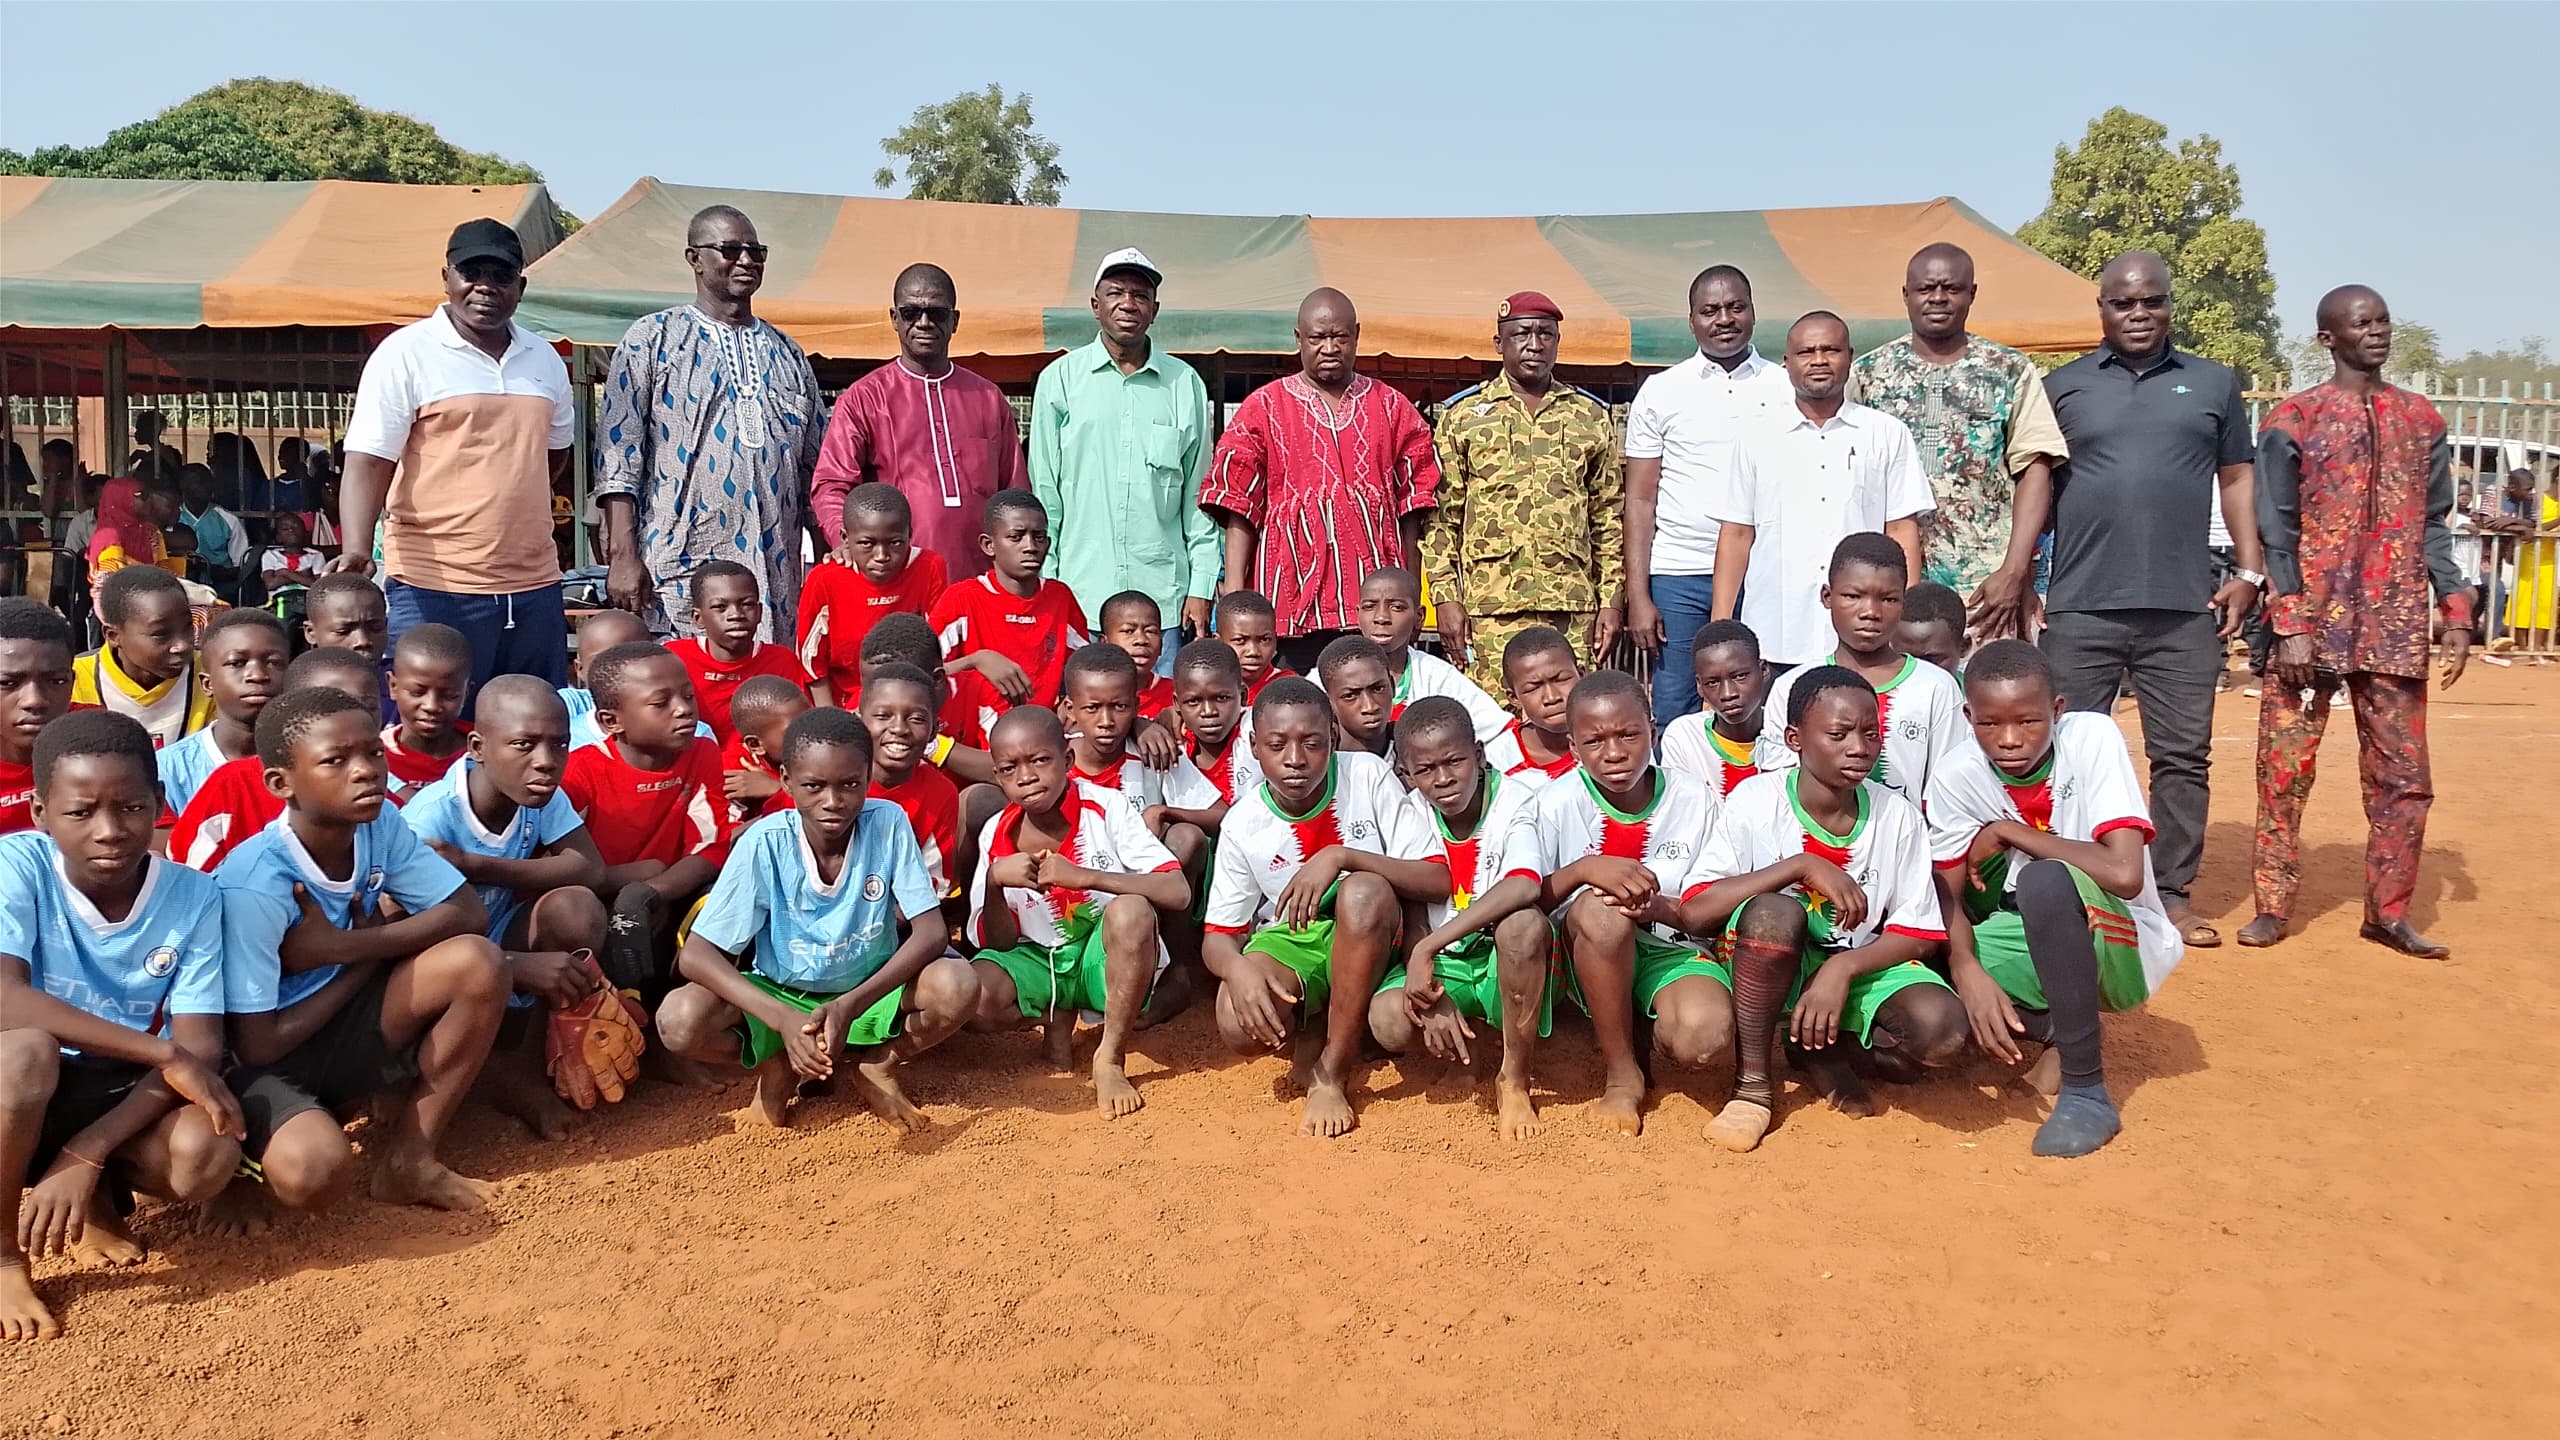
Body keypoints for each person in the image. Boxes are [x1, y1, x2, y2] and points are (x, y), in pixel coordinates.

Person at [211, 687, 508, 1234]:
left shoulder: (378, 823)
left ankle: (410, 1161)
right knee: (314, 1173)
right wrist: (360, 964)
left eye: (373, 752)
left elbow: (465, 913)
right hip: (266, 1058)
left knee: (477, 963)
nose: (366, 771)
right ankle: (241, 1170)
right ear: (281, 784)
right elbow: (257, 1045)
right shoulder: (256, 884)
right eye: (336, 760)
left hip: (339, 1013)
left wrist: (346, 951)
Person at [2243, 285, 2475, 959]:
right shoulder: (2295, 418)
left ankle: (2389, 911)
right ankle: (2272, 906)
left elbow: (2435, 525)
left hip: (2395, 621)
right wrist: (2288, 617)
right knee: (2284, 771)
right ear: (2328, 338)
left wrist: (2454, 608)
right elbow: (2274, 524)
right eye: (2361, 324)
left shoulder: (2421, 419)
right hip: (2309, 620)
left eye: (2382, 322)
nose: (2375, 333)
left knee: (2404, 777)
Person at [2041, 251, 2264, 949]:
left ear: (2171, 304)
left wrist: (2250, 571)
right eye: (2122, 304)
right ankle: (2070, 891)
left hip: (2181, 608)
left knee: (2181, 758)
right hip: (2081, 604)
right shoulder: (2062, 386)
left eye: (2152, 302)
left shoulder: (2213, 384)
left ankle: (2168, 894)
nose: (2138, 315)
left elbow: (2235, 479)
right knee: (2067, 753)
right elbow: (2038, 489)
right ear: (2101, 309)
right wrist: (2027, 582)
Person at [1, 712, 244, 1342]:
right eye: (81, 812)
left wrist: (87, 1152)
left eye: (131, 807)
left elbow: (200, 1047)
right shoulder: (15, 866)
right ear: (40, 814)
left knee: (205, 1154)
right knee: (24, 1055)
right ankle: (3, 1254)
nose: (110, 831)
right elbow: (4, 998)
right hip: (25, 1085)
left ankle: (97, 1194)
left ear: (159, 805)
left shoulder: (194, 897)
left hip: (117, 1092)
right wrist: (164, 1052)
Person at [1675, 668, 1965, 1154]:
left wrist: (1842, 968)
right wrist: (1799, 866)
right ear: (1794, 739)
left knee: (1941, 1032)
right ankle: (1752, 1086)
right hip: (1764, 966)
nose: (1859, 746)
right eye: (1838, 734)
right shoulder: (1756, 801)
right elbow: (1695, 910)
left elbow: (1918, 932)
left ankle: (1820, 1049)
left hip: (1853, 969)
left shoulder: (1897, 815)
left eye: (1870, 733)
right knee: (1775, 913)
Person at [655, 708, 974, 1131]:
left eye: (850, 785)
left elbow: (932, 932)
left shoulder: (888, 823)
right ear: (786, 781)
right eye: (813, 786)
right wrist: (782, 1018)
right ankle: (776, 1065)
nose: (833, 801)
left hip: (866, 990)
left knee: (959, 984)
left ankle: (876, 1064)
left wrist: (849, 1004)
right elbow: (697, 955)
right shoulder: (764, 841)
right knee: (678, 1020)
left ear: (867, 776)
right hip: (781, 992)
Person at [1925, 641, 2185, 1158]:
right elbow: (1945, 896)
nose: (2010, 740)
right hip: (2025, 925)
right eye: (1989, 724)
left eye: (2028, 722)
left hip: (2119, 932)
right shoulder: (1957, 774)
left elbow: (2125, 873)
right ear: (1967, 716)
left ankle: (2087, 1092)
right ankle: (2056, 1035)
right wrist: (1965, 968)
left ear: (2057, 711)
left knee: (2046, 880)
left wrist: (2011, 830)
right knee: (1920, 963)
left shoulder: (2091, 737)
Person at [1201, 677, 1449, 1137]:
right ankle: (1314, 1024)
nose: (1295, 759)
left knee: (1362, 892)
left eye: (1312, 743)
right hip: (1300, 937)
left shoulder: (1368, 776)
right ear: (1254, 746)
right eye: (1277, 745)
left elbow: (1436, 879)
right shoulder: (1244, 821)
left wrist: (1341, 856)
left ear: (1334, 737)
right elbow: (1218, 936)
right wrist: (1238, 971)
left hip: (1378, 933)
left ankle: (1332, 1069)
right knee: (1236, 1021)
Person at [335, 218, 575, 692]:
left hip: (533, 586)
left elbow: (554, 457)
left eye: (500, 275)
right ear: (447, 277)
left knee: (528, 726)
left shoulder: (544, 359)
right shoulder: (405, 353)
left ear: (520, 286)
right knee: (435, 733)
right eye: (471, 272)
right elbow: (369, 462)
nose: (484, 287)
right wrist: (357, 550)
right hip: (433, 585)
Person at [1507, 670, 1730, 1136]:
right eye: (1595, 741)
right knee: (1602, 912)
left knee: (1702, 1038)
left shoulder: (1695, 798)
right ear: (1573, 746)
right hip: (1579, 951)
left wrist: (1657, 908)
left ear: (1653, 726)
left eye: (1629, 734)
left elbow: (1713, 902)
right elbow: (1527, 893)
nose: (1614, 753)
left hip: (1669, 943)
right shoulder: (1551, 803)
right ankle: (1623, 1071)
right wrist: (1584, 872)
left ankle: (1649, 1027)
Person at [595, 205, 827, 640]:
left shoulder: (788, 353)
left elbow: (816, 468)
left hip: (774, 574)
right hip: (679, 563)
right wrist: (623, 555)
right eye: (730, 249)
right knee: (680, 690)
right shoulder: (652, 340)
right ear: (694, 258)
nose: (746, 261)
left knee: (767, 688)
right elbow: (618, 458)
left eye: (756, 251)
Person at [400, 675, 611, 1140]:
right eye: (524, 744)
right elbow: (404, 937)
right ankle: (423, 1091)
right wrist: (512, 965)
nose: (546, 762)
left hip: (494, 934)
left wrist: (474, 865)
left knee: (576, 911)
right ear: (477, 747)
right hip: (437, 961)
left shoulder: (539, 795)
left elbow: (587, 868)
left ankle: (520, 1070)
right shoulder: (430, 818)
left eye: (560, 744)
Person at [966, 706, 1192, 1118]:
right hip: (1038, 957)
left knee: (1132, 913)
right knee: (975, 995)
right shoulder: (995, 833)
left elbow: (1176, 892)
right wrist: (994, 883)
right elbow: (995, 942)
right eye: (1010, 768)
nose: (1027, 776)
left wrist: (1087, 877)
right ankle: (1058, 1012)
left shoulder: (1108, 807)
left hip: (1100, 956)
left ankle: (1109, 1055)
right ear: (998, 777)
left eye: (1039, 760)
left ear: (1068, 761)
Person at [1201, 288, 1441, 673]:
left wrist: (1409, 590)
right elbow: (1239, 508)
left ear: (1357, 335)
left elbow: (1412, 508)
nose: (1329, 347)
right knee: (1294, 709)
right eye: (1318, 338)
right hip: (1289, 598)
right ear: (1299, 339)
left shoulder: (1393, 406)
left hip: (1372, 601)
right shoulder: (1262, 407)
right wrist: (1234, 593)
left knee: (1366, 704)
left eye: (1340, 337)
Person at [1846, 243, 2069, 636]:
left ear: (1971, 294)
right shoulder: (1867, 373)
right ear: (1906, 295)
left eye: (1951, 288)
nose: (1937, 298)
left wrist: (2015, 571)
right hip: (1883, 589)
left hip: (1984, 590)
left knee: (1989, 695)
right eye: (1925, 288)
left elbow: (2035, 469)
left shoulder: (2009, 370)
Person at [1423, 291, 1624, 701]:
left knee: (1571, 716)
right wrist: (1445, 599)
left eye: (1545, 334)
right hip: (1490, 608)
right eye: (1522, 334)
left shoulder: (1589, 416)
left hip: (1571, 606)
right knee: (1495, 721)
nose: (1534, 345)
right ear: (1500, 344)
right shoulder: (1464, 416)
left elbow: (1607, 517)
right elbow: (1443, 518)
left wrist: (1612, 601)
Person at [1372, 697, 1553, 1139]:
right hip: (1447, 959)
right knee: (1387, 1021)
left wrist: (1429, 947)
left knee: (1524, 925)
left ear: (1479, 753)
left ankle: (1513, 1077)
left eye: (1454, 761)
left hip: (1499, 958)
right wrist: (1430, 988)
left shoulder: (1516, 798)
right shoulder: (1410, 811)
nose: (1444, 779)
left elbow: (1525, 885)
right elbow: (1415, 905)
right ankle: (1463, 1060)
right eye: (1427, 770)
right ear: (1408, 774)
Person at [1623, 265, 1795, 729]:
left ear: (1754, 312)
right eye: (1710, 310)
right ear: (1692, 320)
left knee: (1766, 699)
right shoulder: (1661, 391)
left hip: (1762, 570)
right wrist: (1638, 594)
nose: (1724, 319)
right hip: (1680, 573)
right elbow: (1640, 500)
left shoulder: (1786, 388)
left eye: (1736, 307)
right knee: (1676, 704)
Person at [1709, 312, 1931, 668]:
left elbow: (1902, 529)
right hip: (1775, 631)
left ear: (1850, 357)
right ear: (1786, 363)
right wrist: (1721, 628)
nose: (1819, 361)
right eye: (1806, 352)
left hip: (1864, 636)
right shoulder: (1754, 436)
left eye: (1831, 350)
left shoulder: (1886, 434)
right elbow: (1736, 534)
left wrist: (1905, 614)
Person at [1029, 248, 1218, 648]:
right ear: (1096, 306)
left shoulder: (1184, 385)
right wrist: (1048, 582)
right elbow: (1046, 495)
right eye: (1116, 293)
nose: (1128, 304)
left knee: (1162, 709)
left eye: (1140, 295)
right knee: (1083, 708)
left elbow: (1199, 499)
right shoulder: (1060, 381)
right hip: (1079, 596)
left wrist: (1201, 586)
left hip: (1163, 603)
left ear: (1155, 309)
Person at [809, 263, 1026, 579]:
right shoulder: (865, 398)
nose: (924, 323)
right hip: (895, 579)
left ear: (954, 321)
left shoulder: (988, 398)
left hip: (979, 584)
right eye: (911, 313)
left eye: (937, 313)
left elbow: (1014, 491)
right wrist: (847, 541)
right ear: (894, 319)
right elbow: (831, 485)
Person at [558, 642, 733, 996]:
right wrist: (628, 889)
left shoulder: (701, 753)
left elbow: (710, 849)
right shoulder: (580, 773)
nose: (684, 710)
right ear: (612, 721)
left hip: (664, 896)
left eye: (689, 696)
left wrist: (650, 893)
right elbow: (558, 869)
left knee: (720, 896)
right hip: (597, 906)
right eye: (661, 703)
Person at [1753, 534, 1968, 808]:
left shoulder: (1936, 688)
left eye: (1888, 599)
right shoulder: (1792, 687)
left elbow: (1948, 792)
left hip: (1907, 844)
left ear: (1903, 603)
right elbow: (1777, 790)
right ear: (1827, 597)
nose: (1870, 612)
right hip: (1808, 846)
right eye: (1853, 596)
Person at [168, 648, 381, 872]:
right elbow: (187, 883)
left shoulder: (376, 801)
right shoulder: (231, 787)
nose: (350, 724)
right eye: (325, 711)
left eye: (364, 707)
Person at [926, 490, 1090, 710]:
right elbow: (918, 676)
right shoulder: (962, 599)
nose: (1030, 546)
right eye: (1016, 537)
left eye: (1038, 537)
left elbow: (1087, 669)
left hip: (1045, 731)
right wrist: (976, 661)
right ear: (988, 545)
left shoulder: (1060, 597)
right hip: (977, 735)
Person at [794, 481, 948, 708]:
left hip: (911, 695)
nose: (882, 555)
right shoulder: (825, 579)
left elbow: (940, 642)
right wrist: (832, 719)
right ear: (845, 539)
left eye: (895, 543)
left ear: (910, 535)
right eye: (867, 544)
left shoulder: (929, 567)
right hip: (844, 702)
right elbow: (811, 661)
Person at [157, 609, 287, 818]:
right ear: (207, 684)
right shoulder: (168, 770)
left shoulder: (312, 761)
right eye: (237, 663)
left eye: (273, 662)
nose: (258, 675)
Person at [1354, 566, 1510, 739]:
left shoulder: (1437, 677)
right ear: (1358, 613)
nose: (1381, 617)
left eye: (1396, 607)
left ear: (1419, 617)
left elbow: (1497, 730)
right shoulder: (1333, 674)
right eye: (1369, 606)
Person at [665, 560, 806, 748]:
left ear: (759, 612)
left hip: (756, 768)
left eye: (746, 604)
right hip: (694, 766)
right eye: (720, 607)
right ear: (698, 618)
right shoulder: (674, 658)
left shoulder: (781, 660)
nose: (736, 615)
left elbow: (798, 729)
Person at [856, 662, 966, 902]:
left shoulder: (940, 792)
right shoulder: (835, 779)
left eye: (916, 719)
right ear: (859, 720)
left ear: (933, 729)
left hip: (900, 915)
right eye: (883, 716)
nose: (899, 728)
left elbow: (935, 882)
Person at [73, 566, 211, 748]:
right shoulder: (74, 678)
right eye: (161, 634)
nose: (183, 645)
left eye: (188, 627)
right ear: (113, 636)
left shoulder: (212, 670)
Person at [1658, 620, 1771, 798]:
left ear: (1763, 670)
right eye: (1712, 683)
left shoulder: (1786, 735)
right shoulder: (1685, 738)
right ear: (1699, 686)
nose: (1728, 693)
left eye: (1740, 676)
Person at [0, 599, 76, 835]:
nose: (34, 700)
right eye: (8, 683)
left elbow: (155, 845)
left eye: (56, 682)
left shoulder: (100, 738)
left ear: (73, 682)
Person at [380, 623, 473, 804]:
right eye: (417, 692)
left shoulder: (486, 752)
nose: (431, 706)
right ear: (393, 686)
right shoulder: (375, 756)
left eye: (449, 695)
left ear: (466, 693)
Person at [1480, 626, 1582, 785]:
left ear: (1581, 675)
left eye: (1561, 680)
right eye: (1533, 688)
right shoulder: (1498, 762)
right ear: (1514, 698)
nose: (1552, 697)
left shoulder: (1612, 744)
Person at [723, 673, 812, 824]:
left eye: (811, 720)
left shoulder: (824, 753)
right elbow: (728, 841)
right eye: (795, 730)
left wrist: (778, 791)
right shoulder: (732, 774)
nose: (810, 734)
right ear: (756, 745)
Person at [82, 477, 165, 606]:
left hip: (151, 595)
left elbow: (162, 568)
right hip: (120, 605)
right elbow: (110, 585)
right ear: (122, 499)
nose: (149, 500)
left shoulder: (150, 531)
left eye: (149, 495)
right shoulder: (108, 537)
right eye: (141, 496)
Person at [1315, 634, 1398, 760]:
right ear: (1329, 703)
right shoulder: (1317, 764)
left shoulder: (1414, 752)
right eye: (1350, 696)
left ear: (1392, 686)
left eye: (1378, 689)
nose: (1370, 707)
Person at [1096, 591, 1177, 721]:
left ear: (1161, 645)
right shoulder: (1089, 695)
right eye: (1128, 631)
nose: (1141, 640)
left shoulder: (1176, 693)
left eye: (1150, 631)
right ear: (1104, 643)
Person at [176, 464, 250, 598]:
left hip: (219, 587)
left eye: (209, 481)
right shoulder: (173, 517)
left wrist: (212, 571)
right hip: (180, 585)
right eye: (199, 482)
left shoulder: (228, 519)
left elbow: (241, 566)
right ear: (183, 485)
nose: (206, 486)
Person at [1213, 589, 1291, 708]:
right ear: (1218, 642)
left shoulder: (1287, 687)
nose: (1253, 652)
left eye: (1264, 640)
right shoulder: (1206, 688)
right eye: (1240, 640)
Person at [301, 571, 389, 661]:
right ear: (310, 633)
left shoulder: (399, 673)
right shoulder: (297, 674)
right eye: (343, 631)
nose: (362, 641)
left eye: (376, 628)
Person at [1899, 582, 1969, 676]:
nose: (1918, 671)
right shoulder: (1874, 689)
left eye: (1931, 660)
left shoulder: (1979, 689)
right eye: (1906, 659)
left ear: (1963, 647)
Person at [256, 512, 327, 594]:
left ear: (305, 532)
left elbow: (319, 586)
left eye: (296, 526)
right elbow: (270, 584)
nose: (291, 530)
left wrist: (286, 573)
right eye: (285, 528)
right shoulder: (270, 555)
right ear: (278, 538)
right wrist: (303, 576)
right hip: (280, 601)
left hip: (308, 598)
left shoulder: (316, 555)